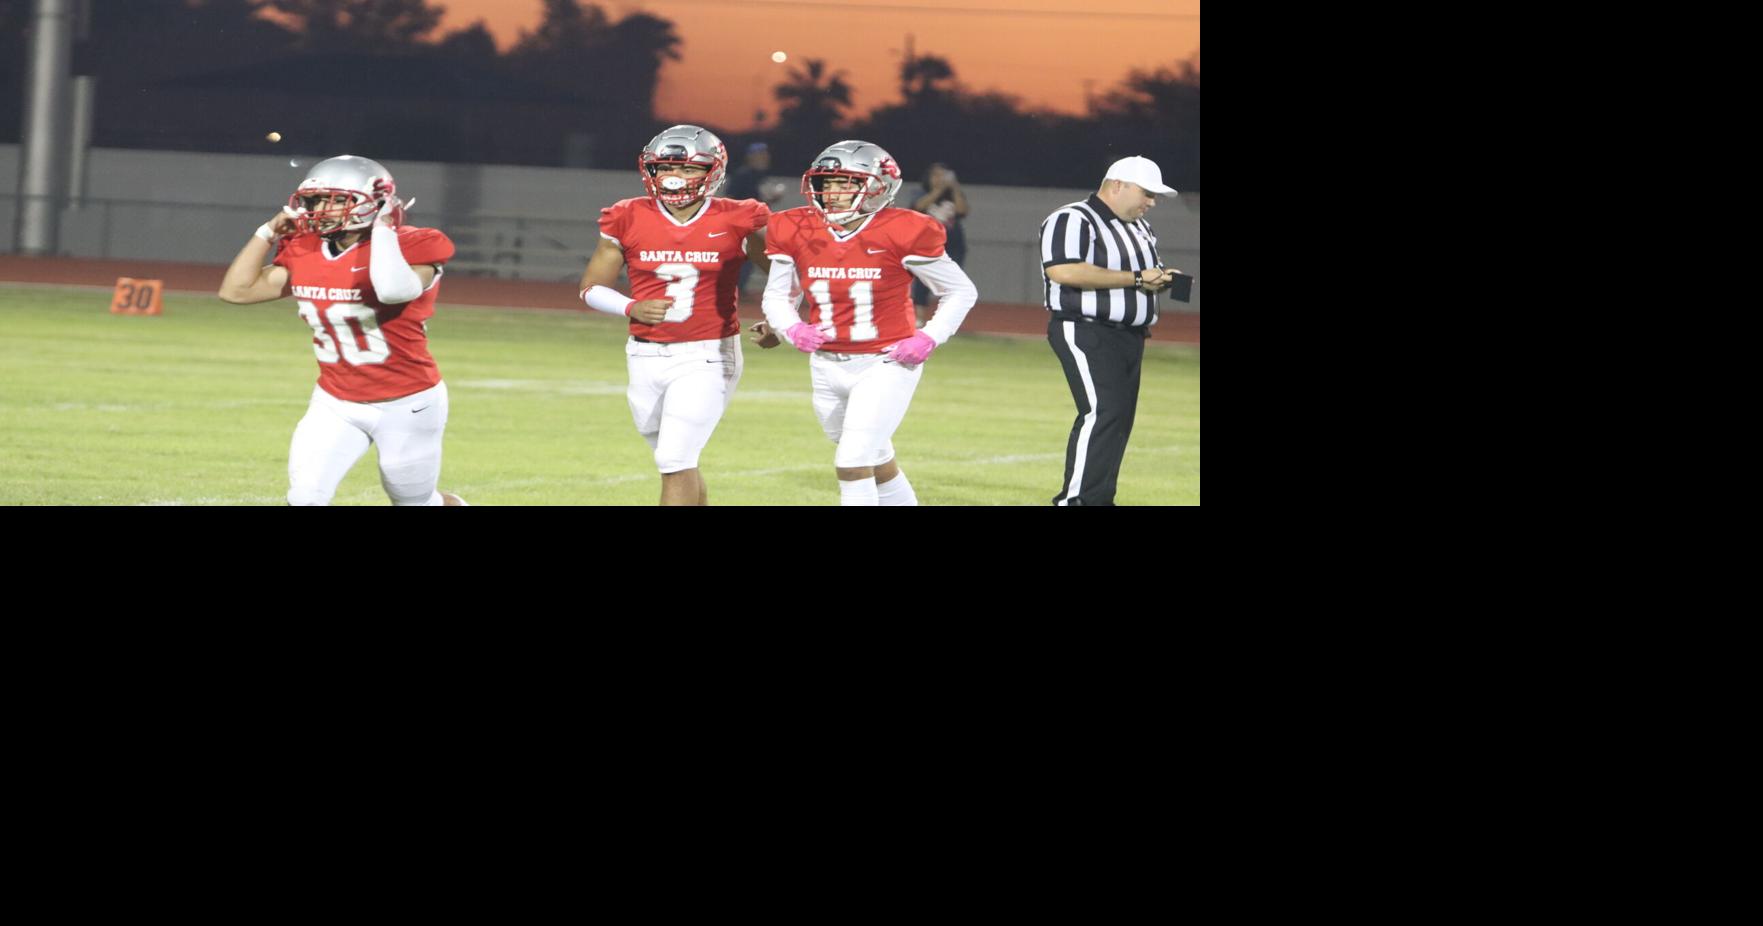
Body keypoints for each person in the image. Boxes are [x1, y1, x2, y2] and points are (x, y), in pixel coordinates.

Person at [217, 154, 468, 507]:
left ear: (373, 203)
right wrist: (266, 233)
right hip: (336, 401)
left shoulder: (414, 244)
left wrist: (383, 229)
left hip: (407, 403)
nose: (318, 208)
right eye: (315, 199)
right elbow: (236, 291)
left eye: (333, 200)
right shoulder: (305, 248)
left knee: (416, 503)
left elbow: (394, 290)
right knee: (305, 497)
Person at [761, 140, 979, 506]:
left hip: (885, 361)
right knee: (877, 461)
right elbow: (778, 295)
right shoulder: (795, 227)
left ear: (879, 185)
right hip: (826, 364)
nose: (833, 192)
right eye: (827, 183)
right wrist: (791, 327)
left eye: (845, 182)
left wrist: (929, 337)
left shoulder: (904, 229)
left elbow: (961, 291)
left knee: (852, 462)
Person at [577, 125, 777, 506]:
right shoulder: (627, 215)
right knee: (677, 461)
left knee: (675, 458)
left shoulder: (738, 217)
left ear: (712, 172)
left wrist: (779, 319)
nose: (675, 178)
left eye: (688, 169)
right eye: (666, 168)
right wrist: (631, 307)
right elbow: (590, 288)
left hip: (708, 353)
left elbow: (786, 273)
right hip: (644, 354)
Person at [1039, 155, 1191, 506]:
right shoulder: (1073, 218)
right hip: (1086, 329)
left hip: (1130, 335)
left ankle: (1098, 498)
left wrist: (1159, 280)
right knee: (1103, 411)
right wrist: (1137, 279)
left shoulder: (1139, 227)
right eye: (1147, 193)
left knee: (1118, 419)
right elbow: (1063, 271)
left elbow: (1137, 275)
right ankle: (1076, 501)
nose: (1151, 203)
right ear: (1117, 185)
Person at [724, 142, 789, 293]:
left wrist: (772, 198)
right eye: (759, 155)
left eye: (764, 155)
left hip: (755, 225)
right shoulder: (743, 175)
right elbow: (730, 198)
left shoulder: (762, 176)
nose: (763, 158)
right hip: (741, 225)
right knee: (740, 258)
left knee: (752, 258)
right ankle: (733, 290)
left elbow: (759, 200)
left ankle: (738, 289)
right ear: (750, 157)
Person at [909, 162, 969, 326]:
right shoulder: (920, 192)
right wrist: (939, 190)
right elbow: (918, 206)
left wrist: (954, 187)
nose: (940, 179)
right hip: (926, 245)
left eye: (943, 175)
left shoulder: (953, 194)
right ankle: (919, 318)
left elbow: (963, 210)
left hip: (953, 245)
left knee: (953, 282)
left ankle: (947, 319)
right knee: (922, 281)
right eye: (936, 175)